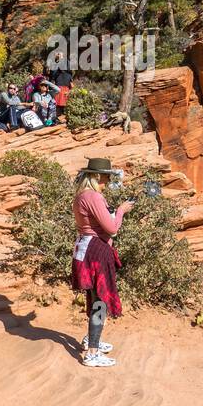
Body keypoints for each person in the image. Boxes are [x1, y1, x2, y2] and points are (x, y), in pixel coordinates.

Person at [71, 157, 133, 368]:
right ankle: (92, 353)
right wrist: (122, 211)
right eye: (106, 176)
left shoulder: (81, 196)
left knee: (95, 296)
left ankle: (92, 340)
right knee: (101, 301)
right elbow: (112, 228)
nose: (108, 180)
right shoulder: (94, 197)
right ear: (97, 176)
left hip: (84, 248)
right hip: (97, 251)